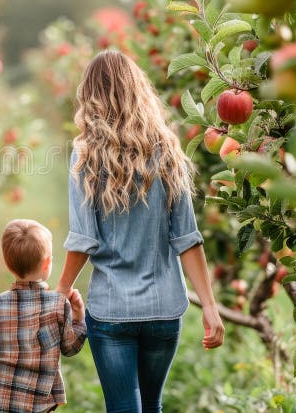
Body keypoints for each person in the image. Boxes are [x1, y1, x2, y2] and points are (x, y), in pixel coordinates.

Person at [56, 49, 225, 413]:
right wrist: (209, 306)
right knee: (152, 406)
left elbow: (85, 239)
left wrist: (60, 291)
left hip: (112, 309)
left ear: (90, 96)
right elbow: (187, 237)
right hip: (164, 309)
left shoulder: (85, 154)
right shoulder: (167, 150)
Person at [0, 219, 86, 413]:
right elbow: (70, 348)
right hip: (39, 405)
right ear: (46, 264)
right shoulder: (59, 305)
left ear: (8, 264)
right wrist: (78, 318)